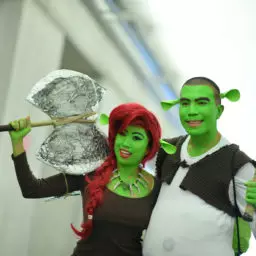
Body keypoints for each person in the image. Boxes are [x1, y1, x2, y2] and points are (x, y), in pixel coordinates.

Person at [9, 102, 162, 256]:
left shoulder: (158, 188)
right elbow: (32, 189)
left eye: (136, 137)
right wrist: (17, 142)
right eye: (122, 134)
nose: (126, 143)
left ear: (149, 147)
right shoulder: (90, 173)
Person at [142, 77, 256, 256]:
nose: (191, 111)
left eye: (201, 103)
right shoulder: (168, 150)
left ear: (218, 111)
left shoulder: (239, 165)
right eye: (185, 104)